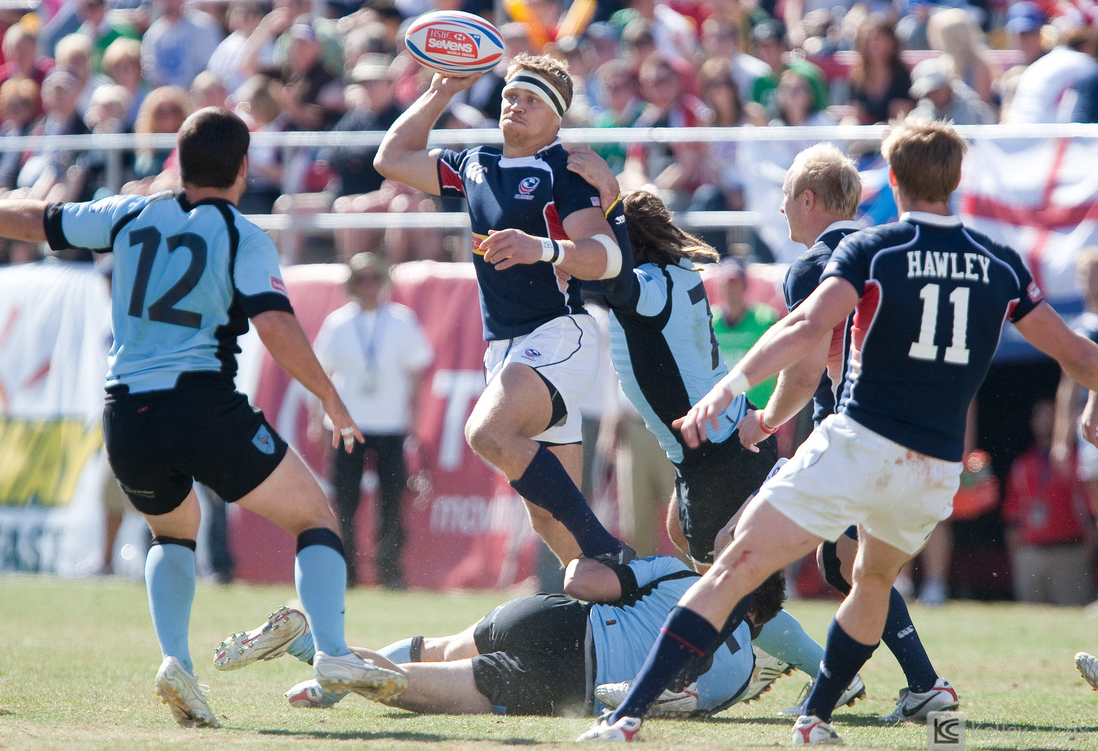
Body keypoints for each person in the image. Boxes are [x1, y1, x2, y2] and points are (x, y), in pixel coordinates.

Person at [578, 116, 1098, 745]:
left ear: (896, 179)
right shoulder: (1001, 263)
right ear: (957, 179)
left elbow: (802, 335)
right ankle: (818, 719)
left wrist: (731, 393)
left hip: (859, 443)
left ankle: (630, 714)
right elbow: (1078, 353)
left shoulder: (870, 250)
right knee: (870, 580)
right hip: (933, 469)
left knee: (730, 560)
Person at [0, 106, 406, 728]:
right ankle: (330, 651)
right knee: (315, 516)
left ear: (178, 163)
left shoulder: (129, 211)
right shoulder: (243, 233)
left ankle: (174, 661)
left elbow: (35, 219)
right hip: (200, 401)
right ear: (243, 168)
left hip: (126, 414)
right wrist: (329, 396)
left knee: (172, 531)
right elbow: (274, 323)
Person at [374, 53, 634, 566]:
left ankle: (608, 548)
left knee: (487, 432)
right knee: (547, 517)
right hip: (508, 348)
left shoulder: (566, 169)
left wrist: (542, 247)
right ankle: (617, 604)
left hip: (560, 335)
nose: (515, 104)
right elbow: (392, 157)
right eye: (511, 95)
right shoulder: (476, 164)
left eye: (531, 99)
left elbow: (608, 259)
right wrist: (441, 90)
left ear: (556, 116)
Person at [734, 142, 957, 723]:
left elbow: (807, 367)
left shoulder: (813, 267)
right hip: (916, 428)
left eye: (786, 198)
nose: (782, 210)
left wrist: (764, 420)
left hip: (852, 430)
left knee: (738, 541)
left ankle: (697, 674)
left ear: (808, 199)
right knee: (847, 563)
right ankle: (920, 685)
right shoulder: (889, 251)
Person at [214, 554, 788, 716]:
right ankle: (310, 650)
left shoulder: (681, 573)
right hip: (574, 680)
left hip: (557, 615)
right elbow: (677, 701)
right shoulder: (739, 669)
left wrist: (613, 560)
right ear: (759, 620)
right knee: (415, 686)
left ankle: (313, 648)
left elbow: (581, 581)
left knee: (433, 648)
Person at [312, 251, 433, 590]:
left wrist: (416, 419)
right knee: (344, 502)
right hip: (346, 424)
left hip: (391, 424)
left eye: (374, 278)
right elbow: (321, 372)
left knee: (393, 501)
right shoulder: (338, 322)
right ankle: (346, 572)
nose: (368, 286)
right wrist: (316, 416)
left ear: (384, 282)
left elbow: (418, 373)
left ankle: (389, 571)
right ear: (351, 284)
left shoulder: (401, 320)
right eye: (361, 279)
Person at [1005, 398, 1095, 606]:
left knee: (1071, 618)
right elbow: (1012, 518)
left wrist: (1087, 554)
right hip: (1031, 553)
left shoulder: (1081, 461)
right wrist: (1019, 559)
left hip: (1070, 552)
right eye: (1041, 415)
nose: (1047, 421)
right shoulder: (1021, 464)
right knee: (1030, 619)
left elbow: (1091, 512)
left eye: (1052, 414)